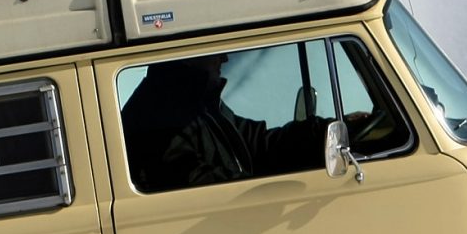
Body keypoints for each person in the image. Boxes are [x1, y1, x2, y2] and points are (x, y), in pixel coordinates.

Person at [122, 53, 326, 192]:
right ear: (188, 53)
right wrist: (266, 187)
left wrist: (323, 133)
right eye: (212, 49)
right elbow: (194, 184)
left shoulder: (193, 103)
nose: (225, 58)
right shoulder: (158, 113)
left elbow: (257, 142)